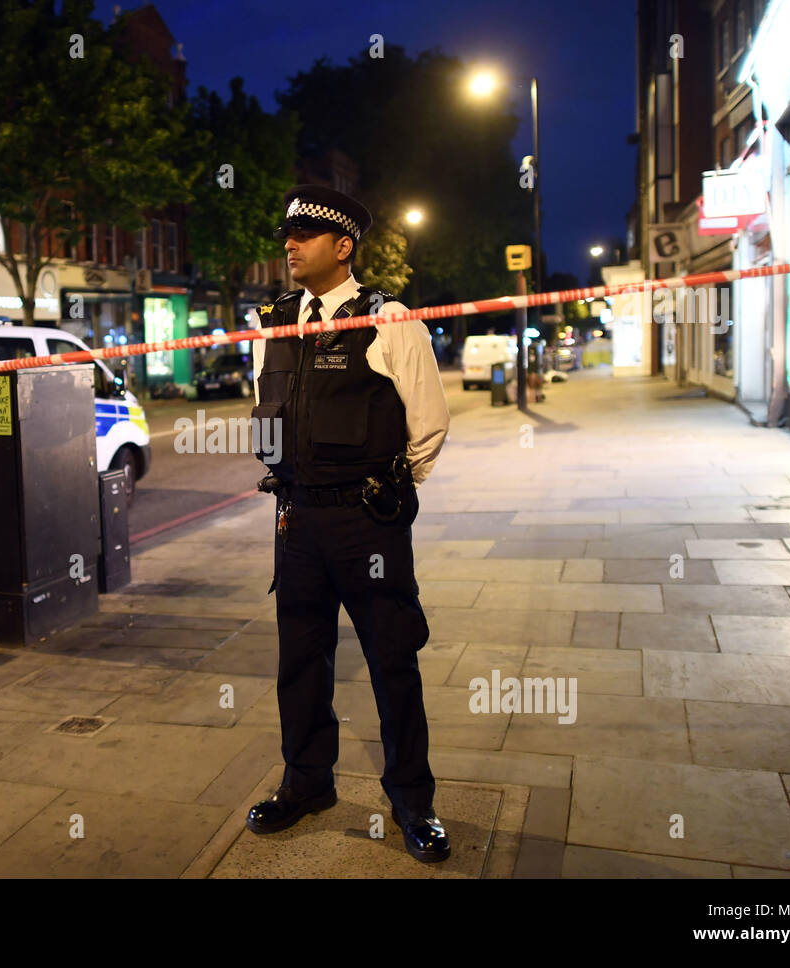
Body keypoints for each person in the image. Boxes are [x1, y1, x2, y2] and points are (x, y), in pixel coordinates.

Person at [244, 185, 452, 863]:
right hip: (295, 521)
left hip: (366, 523)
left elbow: (428, 426)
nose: (290, 245)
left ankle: (413, 803)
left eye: (304, 236)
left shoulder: (389, 320)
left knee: (393, 661)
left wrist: (386, 491)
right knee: (300, 661)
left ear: (343, 246)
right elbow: (267, 409)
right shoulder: (272, 321)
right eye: (287, 236)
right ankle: (307, 783)